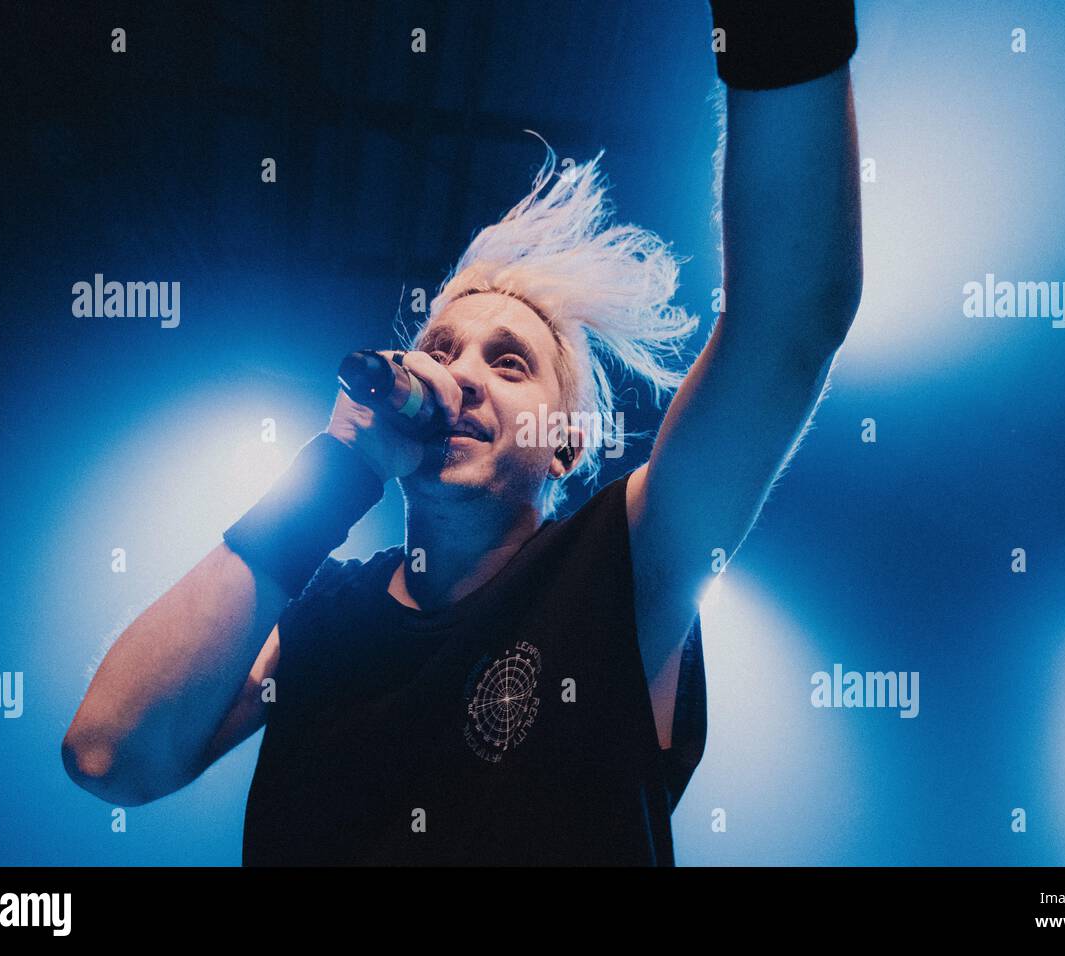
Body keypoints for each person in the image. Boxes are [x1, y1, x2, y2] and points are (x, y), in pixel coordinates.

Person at [61, 0, 863, 866]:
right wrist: (335, 474)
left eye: (510, 363)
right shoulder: (327, 614)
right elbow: (110, 753)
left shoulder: (620, 570)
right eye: (440, 348)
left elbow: (788, 323)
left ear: (568, 443)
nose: (463, 374)